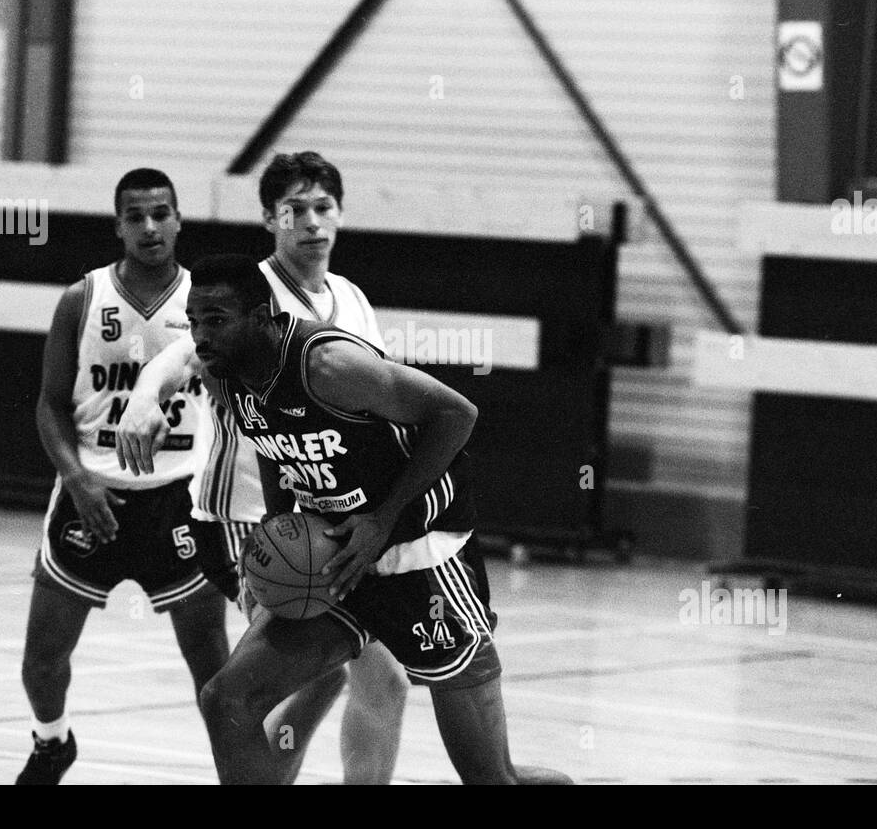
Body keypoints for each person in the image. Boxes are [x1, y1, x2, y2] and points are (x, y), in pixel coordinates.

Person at [118, 254, 566, 784]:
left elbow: (456, 415)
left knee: (491, 779)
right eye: (194, 321)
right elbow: (271, 447)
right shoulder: (233, 377)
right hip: (335, 564)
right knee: (227, 699)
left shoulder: (327, 365)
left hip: (421, 560)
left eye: (216, 320)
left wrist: (381, 520)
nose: (201, 336)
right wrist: (274, 534)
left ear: (264, 317)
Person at [188, 152, 409, 784]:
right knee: (263, 690)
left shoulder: (351, 298)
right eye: (295, 210)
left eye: (323, 207)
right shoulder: (252, 291)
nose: (311, 222)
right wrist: (149, 401)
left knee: (381, 681)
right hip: (251, 515)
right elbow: (185, 353)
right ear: (269, 219)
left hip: (324, 514)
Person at [17, 168, 230, 784]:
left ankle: (236, 772)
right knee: (41, 661)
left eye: (161, 213)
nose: (150, 227)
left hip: (180, 502)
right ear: (118, 225)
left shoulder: (207, 304)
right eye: (135, 216)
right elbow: (50, 402)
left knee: (212, 670)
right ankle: (53, 741)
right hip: (93, 496)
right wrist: (77, 479)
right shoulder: (80, 299)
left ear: (180, 218)